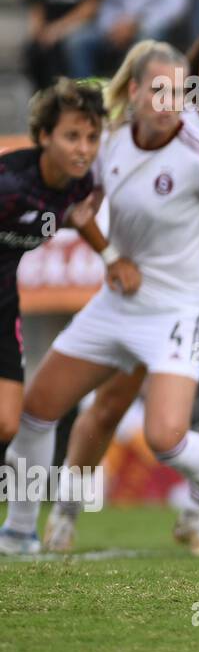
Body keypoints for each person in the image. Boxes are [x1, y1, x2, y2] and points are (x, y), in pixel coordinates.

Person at [7, 41, 199, 560]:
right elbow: (84, 213)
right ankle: (22, 530)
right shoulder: (109, 143)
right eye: (159, 89)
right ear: (134, 92)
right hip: (118, 302)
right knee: (39, 409)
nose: (170, 100)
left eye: (178, 90)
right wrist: (109, 258)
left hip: (180, 310)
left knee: (166, 437)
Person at [0, 80, 105, 554]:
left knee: (7, 423)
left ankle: (18, 532)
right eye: (71, 137)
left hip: (4, 303)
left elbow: (77, 217)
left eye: (90, 137)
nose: (83, 149)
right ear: (43, 136)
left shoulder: (82, 183)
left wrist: (111, 255)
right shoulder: (9, 186)